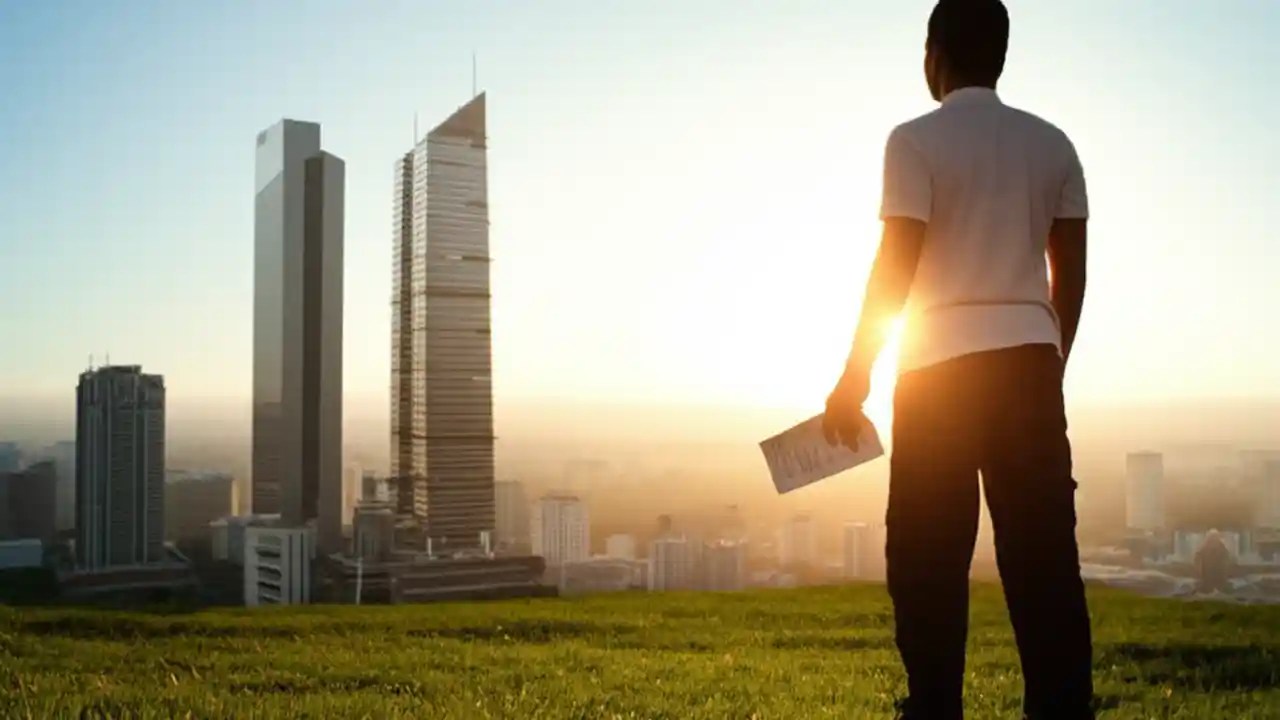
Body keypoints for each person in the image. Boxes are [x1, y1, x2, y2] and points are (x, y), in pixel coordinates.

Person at [821, 1, 1093, 718]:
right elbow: (1072, 270)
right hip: (1028, 370)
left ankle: (934, 706)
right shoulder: (1054, 144)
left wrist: (855, 376)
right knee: (1044, 566)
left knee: (926, 560)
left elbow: (895, 265)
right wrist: (1046, 362)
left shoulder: (913, 142)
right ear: (1000, 55)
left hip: (936, 373)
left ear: (934, 55)